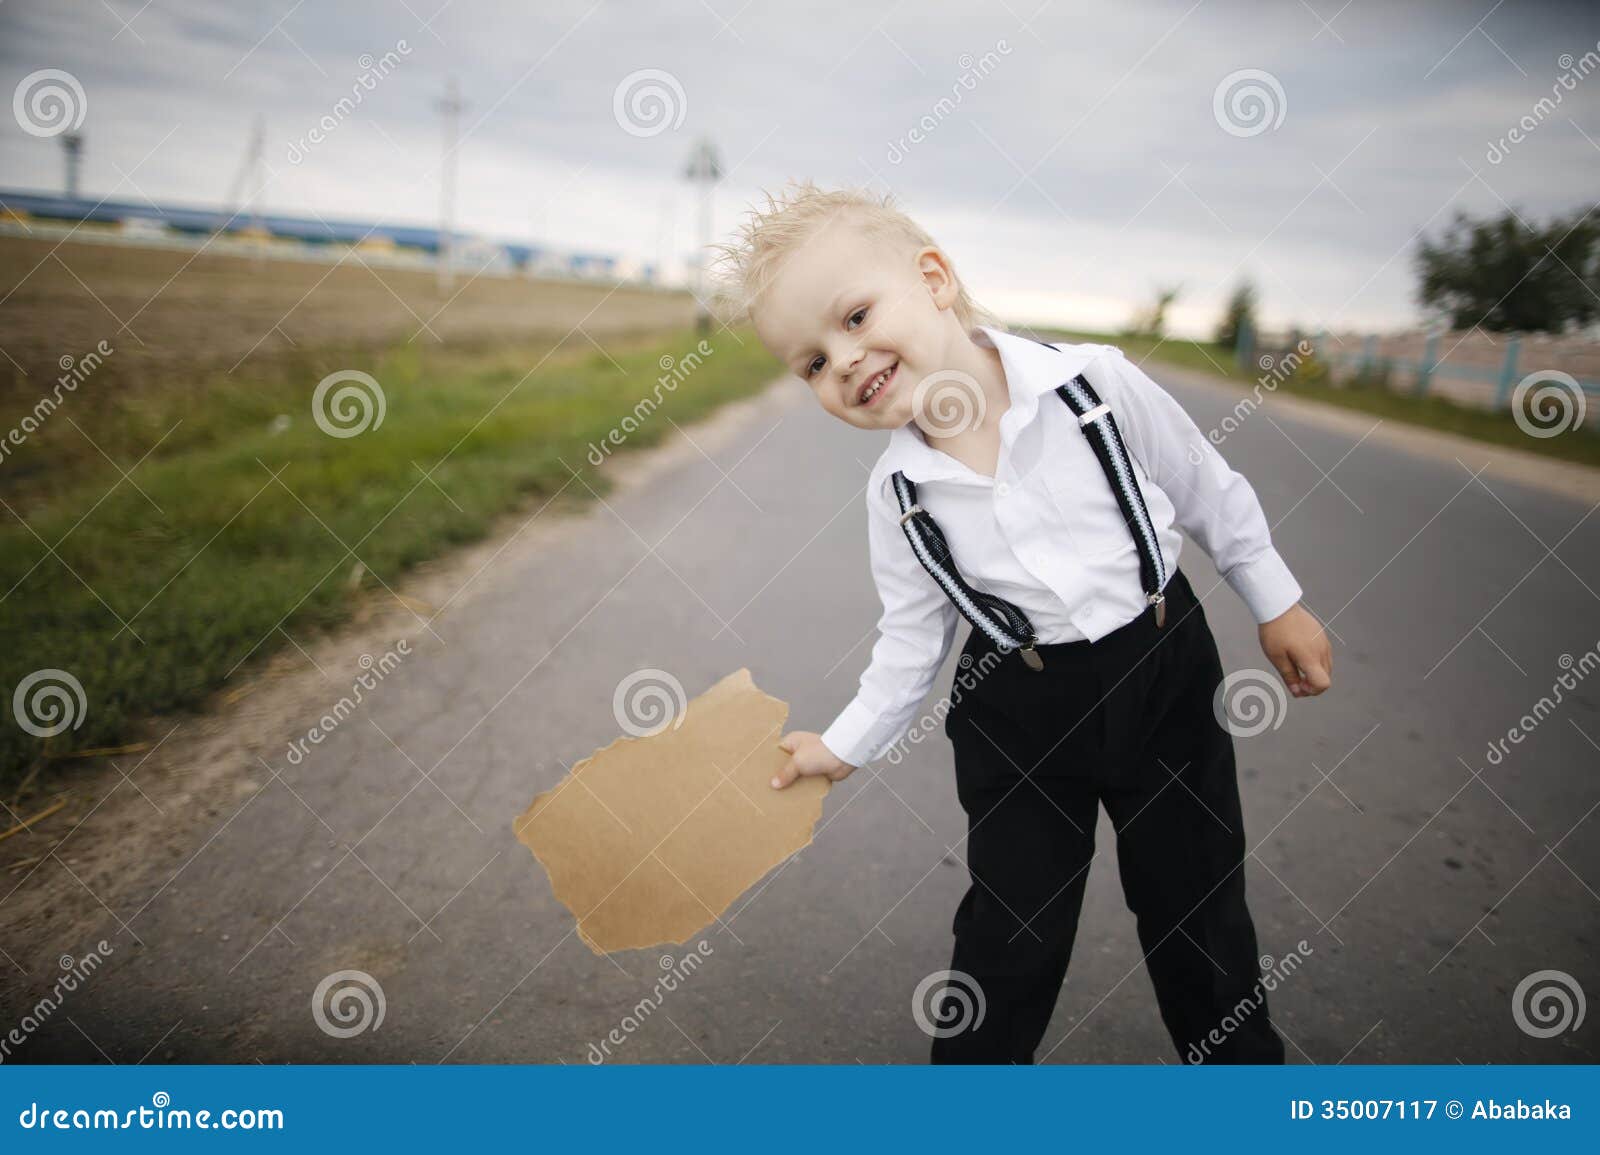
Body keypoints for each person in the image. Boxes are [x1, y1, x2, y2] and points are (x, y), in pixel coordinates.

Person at [708, 180, 1332, 1064]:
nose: (840, 361)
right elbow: (911, 640)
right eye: (811, 362)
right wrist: (842, 743)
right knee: (1013, 928)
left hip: (1163, 668)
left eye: (853, 318)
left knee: (1196, 904)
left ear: (935, 279)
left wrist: (1278, 601)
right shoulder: (900, 495)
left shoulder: (1092, 382)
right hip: (1019, 708)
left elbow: (1204, 487)